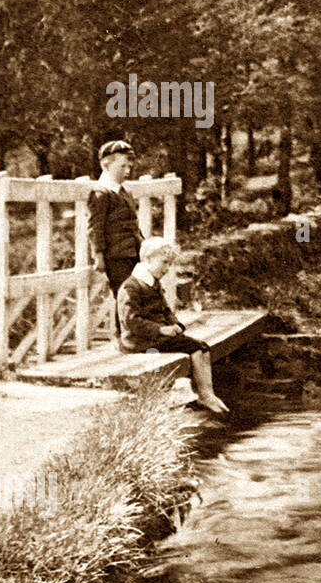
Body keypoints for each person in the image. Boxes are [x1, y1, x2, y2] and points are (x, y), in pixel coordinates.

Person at [117, 237, 229, 414]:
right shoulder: (131, 286)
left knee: (200, 346)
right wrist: (161, 329)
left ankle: (207, 392)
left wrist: (175, 324)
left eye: (169, 264)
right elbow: (131, 321)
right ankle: (205, 394)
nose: (167, 268)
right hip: (138, 341)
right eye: (164, 262)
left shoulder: (153, 283)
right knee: (196, 347)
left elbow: (165, 310)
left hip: (154, 337)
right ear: (148, 259)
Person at [89, 140, 145, 337]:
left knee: (136, 292)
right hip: (116, 255)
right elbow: (95, 227)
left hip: (133, 251)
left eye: (129, 166)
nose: (127, 170)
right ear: (106, 165)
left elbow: (133, 223)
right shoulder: (101, 193)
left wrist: (144, 248)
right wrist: (98, 255)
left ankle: (131, 334)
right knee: (123, 294)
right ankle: (123, 336)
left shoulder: (125, 191)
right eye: (122, 166)